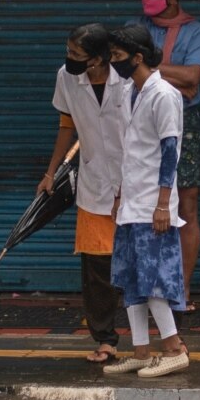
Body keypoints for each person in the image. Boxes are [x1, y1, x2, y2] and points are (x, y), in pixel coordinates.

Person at [38, 23, 131, 364]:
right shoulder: (66, 77)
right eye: (69, 53)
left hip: (133, 183)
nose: (69, 59)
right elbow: (67, 125)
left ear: (97, 58)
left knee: (136, 264)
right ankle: (106, 338)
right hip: (93, 183)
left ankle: (152, 339)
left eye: (76, 55)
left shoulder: (128, 80)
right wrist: (52, 172)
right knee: (96, 269)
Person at [103, 25, 189, 378]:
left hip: (154, 203)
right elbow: (130, 150)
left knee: (153, 280)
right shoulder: (129, 92)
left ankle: (174, 348)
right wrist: (120, 195)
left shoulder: (164, 95)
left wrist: (162, 205)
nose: (113, 62)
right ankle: (140, 350)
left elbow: (170, 153)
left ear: (137, 57)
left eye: (118, 57)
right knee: (131, 279)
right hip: (131, 202)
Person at [130, 0, 200, 315]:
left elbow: (195, 76)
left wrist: (148, 68)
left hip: (184, 123)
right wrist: (174, 75)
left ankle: (183, 289)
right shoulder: (137, 29)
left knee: (185, 207)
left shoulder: (196, 33)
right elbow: (125, 72)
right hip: (140, 123)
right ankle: (150, 288)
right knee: (145, 206)